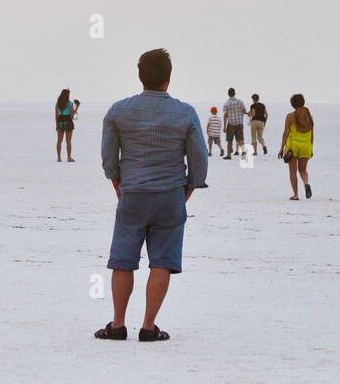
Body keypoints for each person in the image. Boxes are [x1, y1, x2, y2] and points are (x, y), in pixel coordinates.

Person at [97, 48, 208, 342]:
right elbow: (199, 160)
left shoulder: (119, 111)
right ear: (168, 79)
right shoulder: (185, 113)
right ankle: (148, 327)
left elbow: (109, 155)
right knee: (162, 261)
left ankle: (118, 324)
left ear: (140, 76)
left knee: (123, 259)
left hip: (132, 194)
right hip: (170, 195)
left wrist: (117, 182)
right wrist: (189, 188)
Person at [279, 94, 315, 200]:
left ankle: (296, 195)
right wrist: (311, 148)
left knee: (293, 172)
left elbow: (286, 133)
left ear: (293, 104)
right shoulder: (309, 117)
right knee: (303, 170)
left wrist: (281, 148)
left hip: (293, 147)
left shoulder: (290, 116)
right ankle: (306, 183)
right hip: (306, 145)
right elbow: (312, 135)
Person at [55, 88, 81, 162]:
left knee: (59, 141)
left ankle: (59, 158)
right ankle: (69, 157)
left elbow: (56, 116)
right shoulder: (70, 103)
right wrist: (77, 106)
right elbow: (72, 115)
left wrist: (57, 125)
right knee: (68, 141)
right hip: (68, 122)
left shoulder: (57, 104)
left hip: (60, 121)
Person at [221, 88, 246, 160]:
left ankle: (229, 155)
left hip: (231, 124)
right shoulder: (240, 102)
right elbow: (244, 111)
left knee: (229, 140)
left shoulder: (227, 104)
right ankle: (244, 152)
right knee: (240, 139)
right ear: (235, 93)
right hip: (239, 123)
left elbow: (225, 115)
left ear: (228, 94)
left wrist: (224, 126)